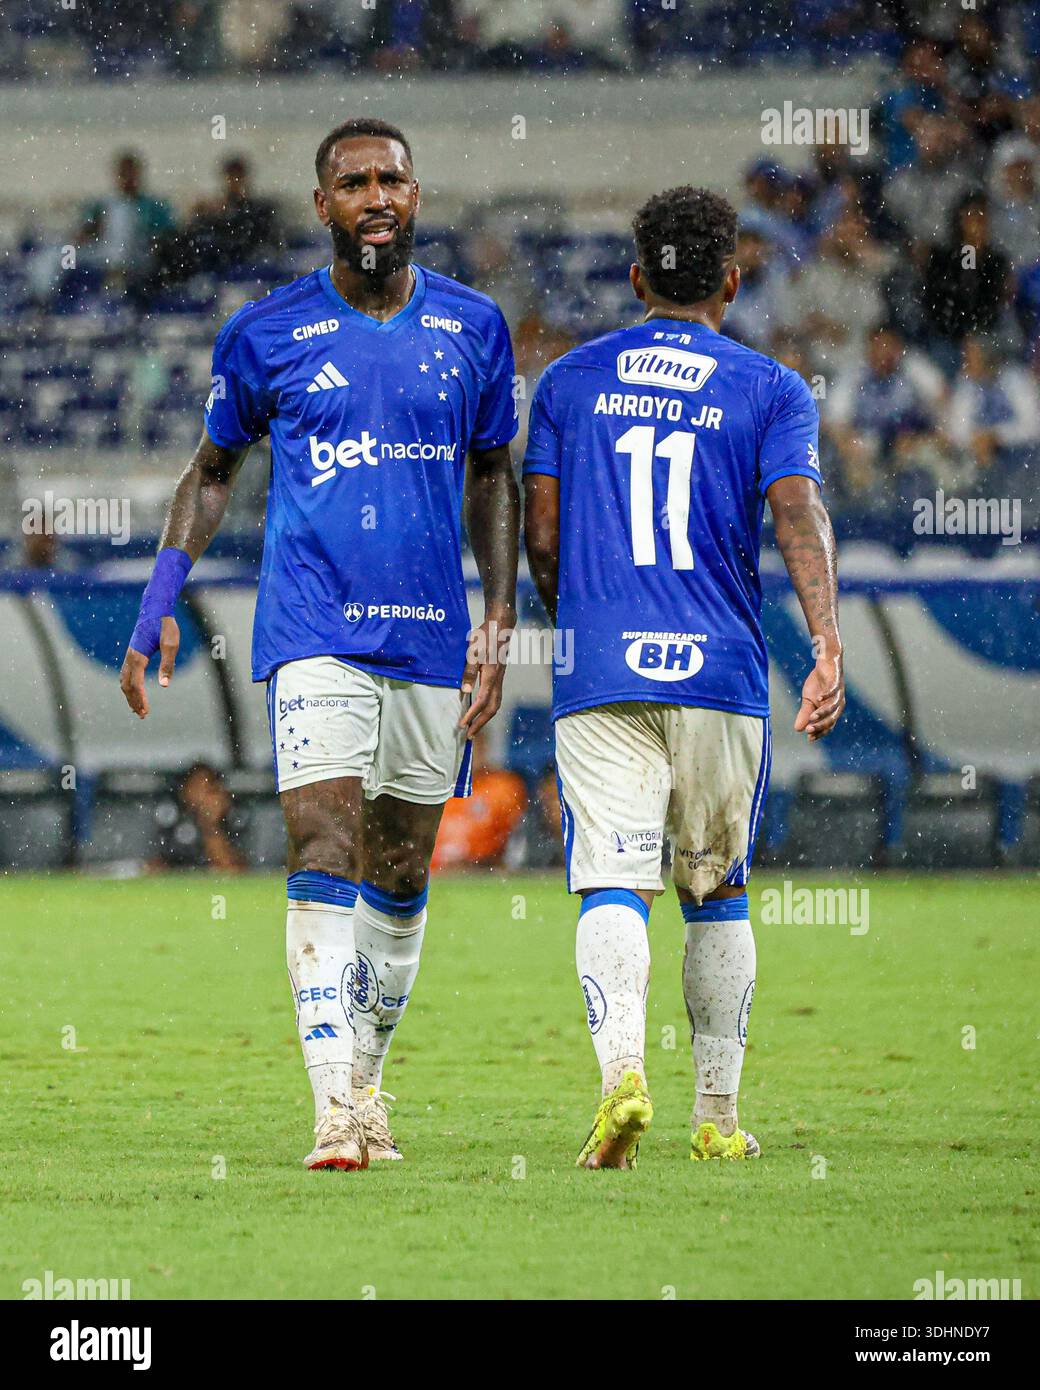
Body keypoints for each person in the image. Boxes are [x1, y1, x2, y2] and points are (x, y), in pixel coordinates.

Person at [119, 118, 520, 1172]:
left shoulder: (475, 329)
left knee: (399, 869)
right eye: (354, 182)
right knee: (324, 847)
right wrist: (160, 595)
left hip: (431, 635)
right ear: (322, 206)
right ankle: (333, 1107)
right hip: (312, 628)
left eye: (391, 178)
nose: (376, 195)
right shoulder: (268, 333)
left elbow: (493, 476)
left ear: (416, 195)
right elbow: (210, 473)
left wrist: (501, 610)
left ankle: (369, 1081)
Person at [523, 186, 844, 1170]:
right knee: (717, 889)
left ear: (634, 279)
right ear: (731, 279)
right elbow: (795, 515)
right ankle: (715, 1114)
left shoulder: (570, 383)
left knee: (610, 882)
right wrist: (825, 642)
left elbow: (539, 532)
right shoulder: (769, 388)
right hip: (718, 670)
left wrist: (573, 620)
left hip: (602, 669)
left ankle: (622, 1073)